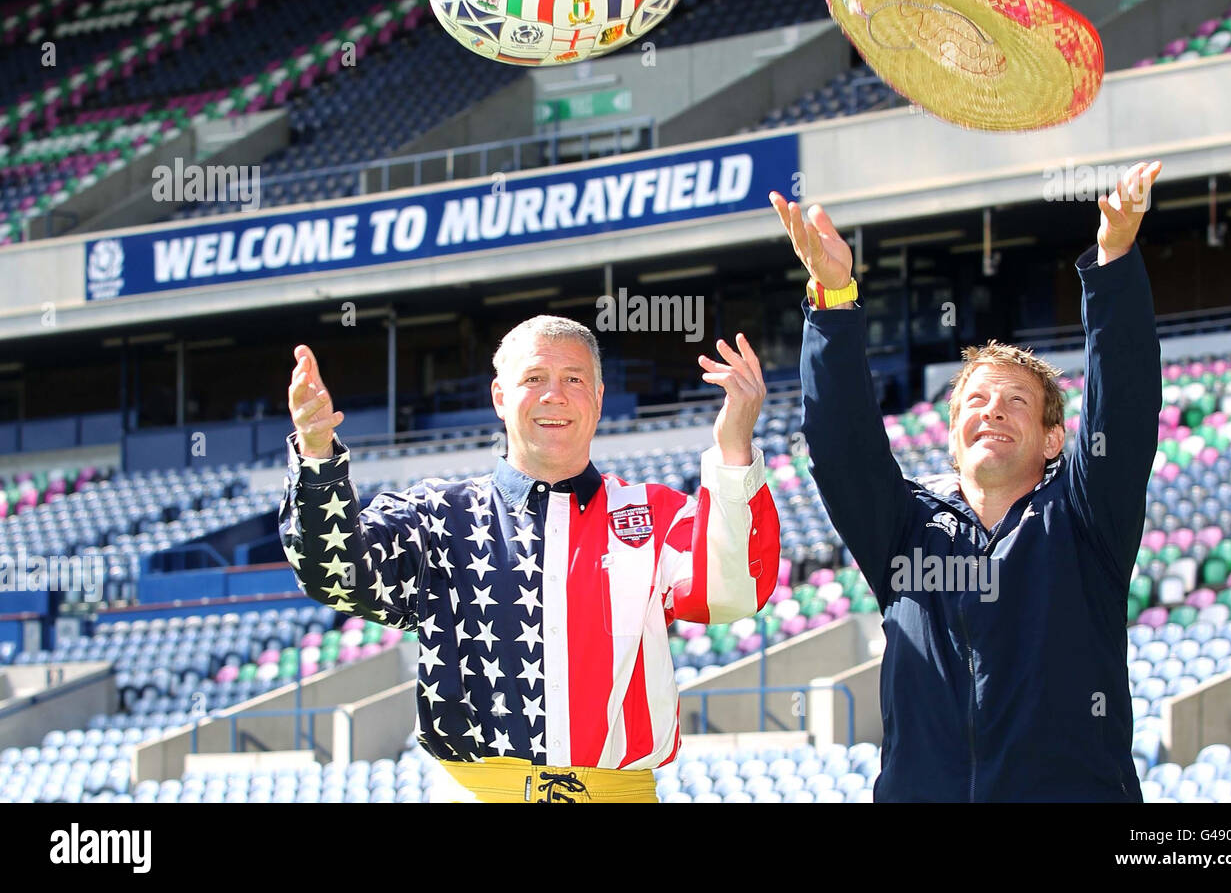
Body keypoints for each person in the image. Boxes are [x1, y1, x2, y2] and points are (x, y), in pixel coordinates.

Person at [770, 160, 1163, 802]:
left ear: (1054, 438)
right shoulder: (905, 536)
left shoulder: (1086, 521)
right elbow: (843, 450)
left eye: (1015, 402)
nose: (993, 410)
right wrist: (834, 301)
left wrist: (1114, 259)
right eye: (976, 402)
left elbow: (1123, 407)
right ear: (952, 438)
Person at [279, 315, 779, 803]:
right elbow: (339, 576)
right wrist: (318, 457)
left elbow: (731, 595)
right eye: (534, 378)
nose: (553, 395)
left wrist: (733, 450)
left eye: (574, 379)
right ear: (500, 397)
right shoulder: (436, 515)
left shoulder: (657, 516)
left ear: (599, 398)